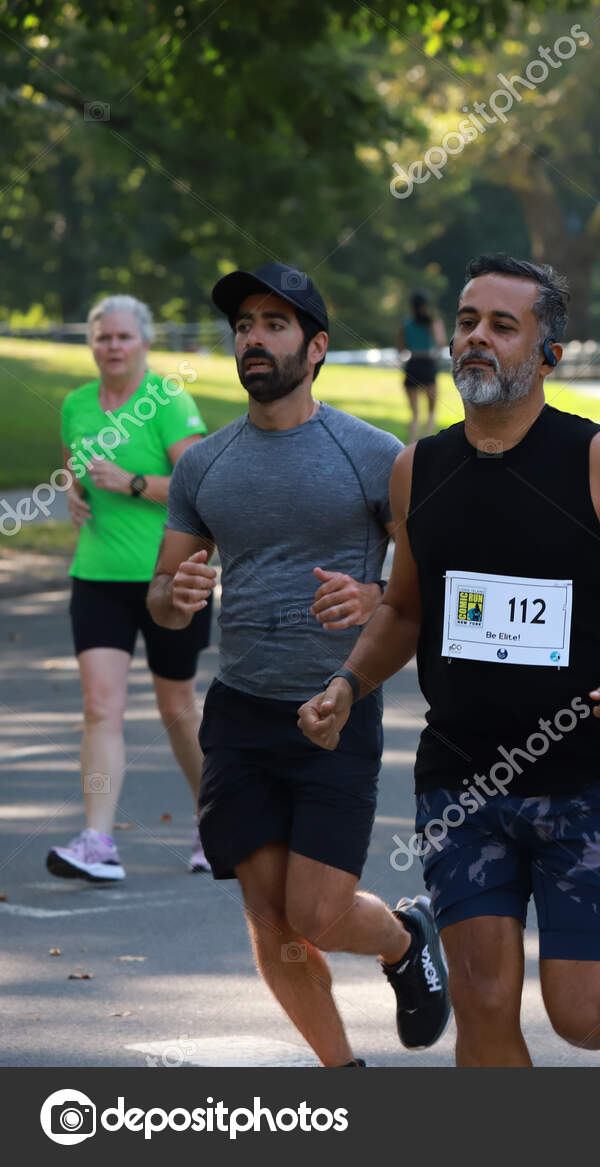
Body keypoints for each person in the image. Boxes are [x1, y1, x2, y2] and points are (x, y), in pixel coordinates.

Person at [298, 253, 600, 1067]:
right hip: (462, 778)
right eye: (466, 321)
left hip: (588, 777)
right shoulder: (417, 470)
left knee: (579, 1010)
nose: (476, 339)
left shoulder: (599, 462)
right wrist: (347, 683)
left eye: (502, 324)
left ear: (548, 353)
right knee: (485, 1002)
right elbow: (403, 608)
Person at [148, 261, 450, 1066]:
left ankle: (403, 936)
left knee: (316, 911)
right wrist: (176, 595)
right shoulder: (204, 465)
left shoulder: (373, 454)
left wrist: (374, 590)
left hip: (335, 708)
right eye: (245, 324)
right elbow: (162, 600)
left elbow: (430, 585)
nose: (254, 338)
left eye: (274, 325)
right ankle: (343, 1076)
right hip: (241, 712)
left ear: (315, 347)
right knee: (270, 920)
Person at [48, 295, 211, 882]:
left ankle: (212, 820)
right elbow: (75, 466)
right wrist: (73, 491)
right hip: (96, 575)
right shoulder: (74, 404)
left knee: (176, 709)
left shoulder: (167, 402)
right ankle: (97, 840)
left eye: (123, 337)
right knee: (99, 708)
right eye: (102, 337)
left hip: (169, 578)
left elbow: (199, 489)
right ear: (91, 345)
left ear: (143, 342)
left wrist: (132, 481)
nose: (112, 346)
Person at [398, 292, 447, 444]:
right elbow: (441, 342)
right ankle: (427, 443)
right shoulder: (433, 322)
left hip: (412, 364)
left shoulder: (406, 323)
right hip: (428, 364)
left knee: (414, 414)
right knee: (431, 411)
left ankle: (411, 444)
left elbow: (400, 348)